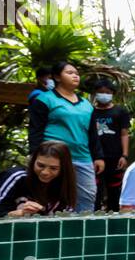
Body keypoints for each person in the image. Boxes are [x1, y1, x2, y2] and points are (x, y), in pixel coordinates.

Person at [29, 61, 103, 212]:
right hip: (52, 158)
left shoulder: (87, 104)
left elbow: (92, 133)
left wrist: (98, 156)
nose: (75, 76)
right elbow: (35, 130)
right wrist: (35, 154)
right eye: (69, 73)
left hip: (82, 157)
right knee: (50, 196)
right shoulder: (45, 99)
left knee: (88, 197)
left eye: (76, 73)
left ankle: (83, 229)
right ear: (57, 77)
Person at [0, 141, 77, 217]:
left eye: (53, 168)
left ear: (63, 169)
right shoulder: (16, 177)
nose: (45, 172)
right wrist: (22, 213)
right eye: (40, 165)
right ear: (33, 161)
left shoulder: (65, 185)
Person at [91, 79, 131, 212]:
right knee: (95, 190)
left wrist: (124, 155)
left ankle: (114, 217)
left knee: (114, 190)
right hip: (94, 157)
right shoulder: (89, 111)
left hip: (115, 157)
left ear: (112, 94)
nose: (104, 95)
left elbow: (124, 134)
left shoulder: (120, 111)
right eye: (100, 92)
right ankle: (93, 218)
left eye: (107, 92)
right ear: (95, 93)